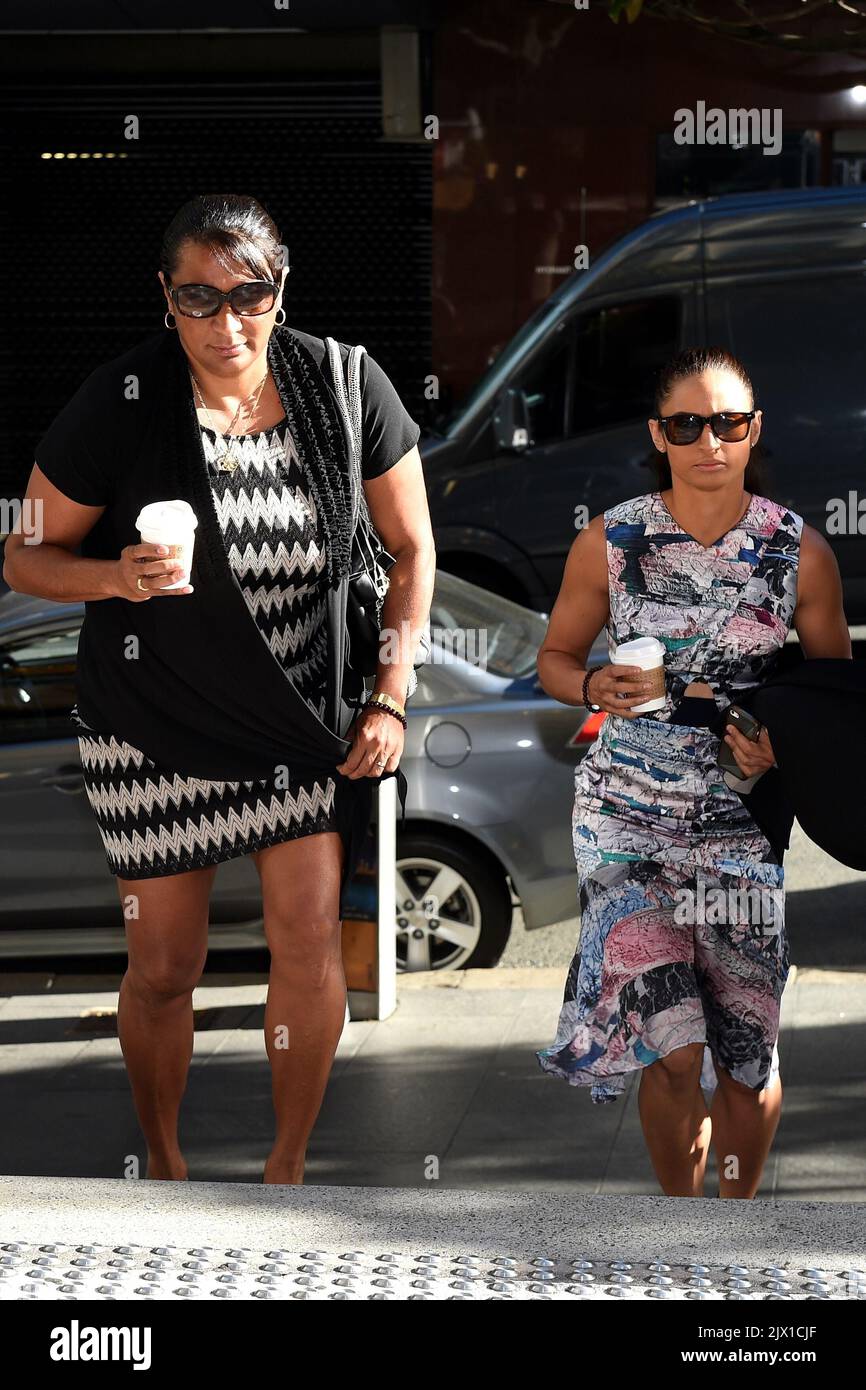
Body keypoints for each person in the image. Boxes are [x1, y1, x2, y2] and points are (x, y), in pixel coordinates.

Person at [3, 193, 435, 1184]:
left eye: (251, 295)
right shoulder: (119, 400)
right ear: (166, 297)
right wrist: (115, 575)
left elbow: (411, 549)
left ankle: (285, 1171)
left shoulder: (344, 384)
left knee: (308, 940)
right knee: (163, 966)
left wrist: (390, 692)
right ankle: (164, 1161)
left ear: (280, 292)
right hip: (153, 722)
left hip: (292, 716)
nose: (227, 323)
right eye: (200, 298)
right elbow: (25, 555)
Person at [535, 346, 851, 1199]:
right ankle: (682, 1230)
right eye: (688, 424)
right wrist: (592, 683)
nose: (709, 440)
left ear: (754, 433)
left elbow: (834, 703)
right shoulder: (610, 540)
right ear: (658, 435)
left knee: (744, 1061)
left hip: (740, 827)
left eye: (729, 423)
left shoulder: (799, 554)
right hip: (623, 816)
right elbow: (556, 660)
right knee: (672, 1050)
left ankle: (735, 1225)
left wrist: (779, 743)